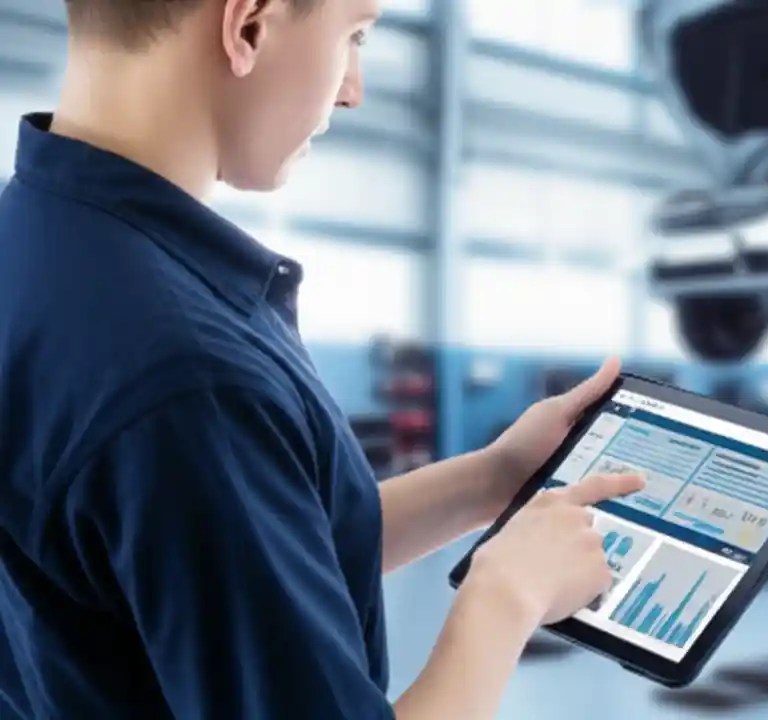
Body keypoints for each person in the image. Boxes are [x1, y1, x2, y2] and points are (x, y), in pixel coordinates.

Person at [0, 0, 644, 718]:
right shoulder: (187, 375)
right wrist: (506, 597)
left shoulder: (35, 242)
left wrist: (493, 478)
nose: (352, 88)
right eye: (355, 35)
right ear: (248, 25)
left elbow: (234, 565)